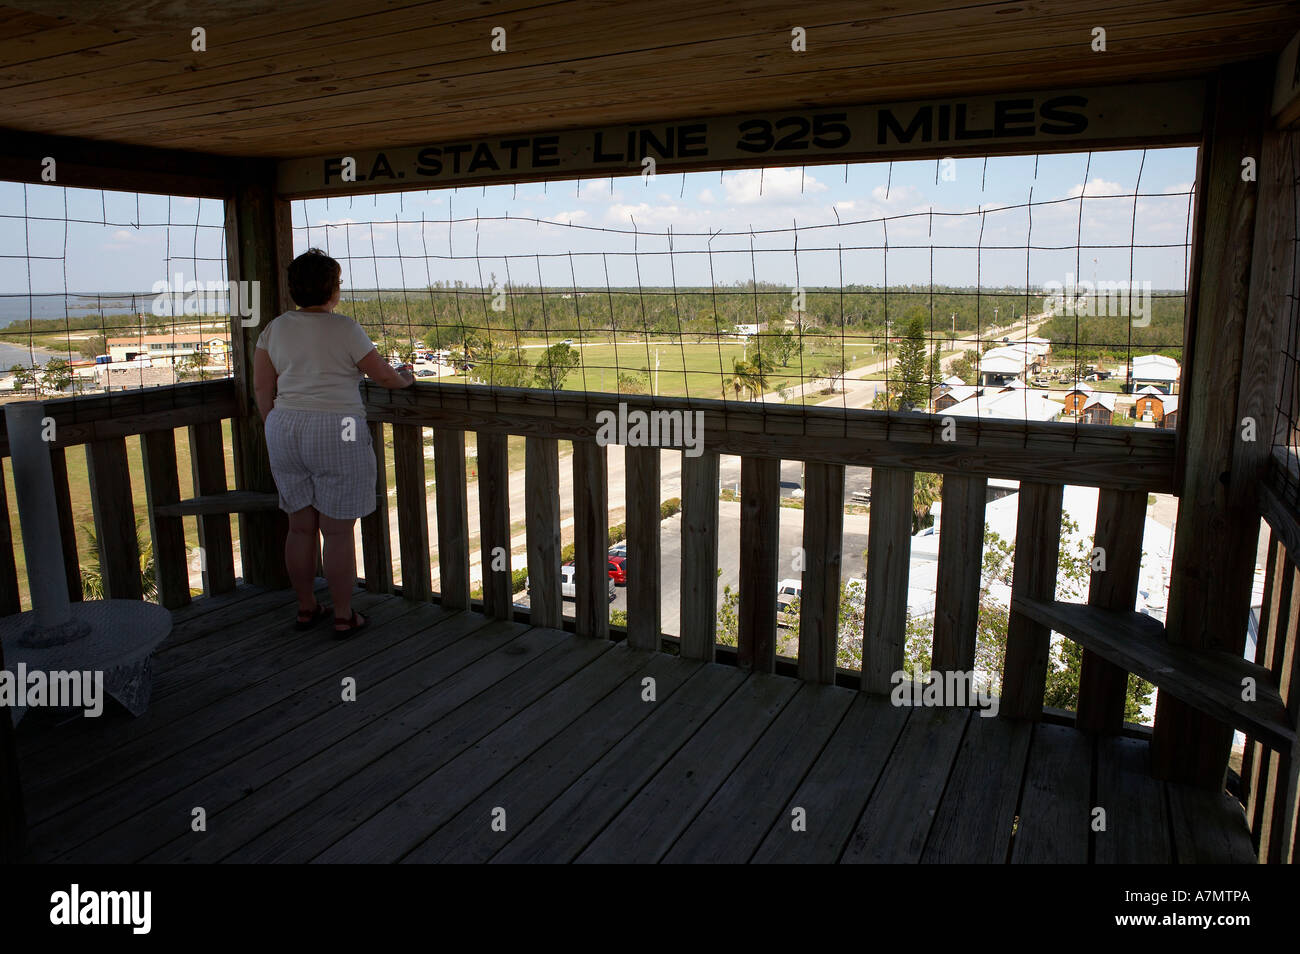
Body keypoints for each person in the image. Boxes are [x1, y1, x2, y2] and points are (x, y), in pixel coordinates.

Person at [254, 248, 414, 636]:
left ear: (294, 289)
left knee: (300, 528)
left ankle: (307, 608)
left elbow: (263, 384)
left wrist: (272, 421)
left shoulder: (274, 329)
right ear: (332, 290)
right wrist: (406, 377)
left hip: (285, 426)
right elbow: (384, 376)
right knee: (338, 532)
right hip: (337, 428)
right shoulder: (344, 328)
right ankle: (344, 614)